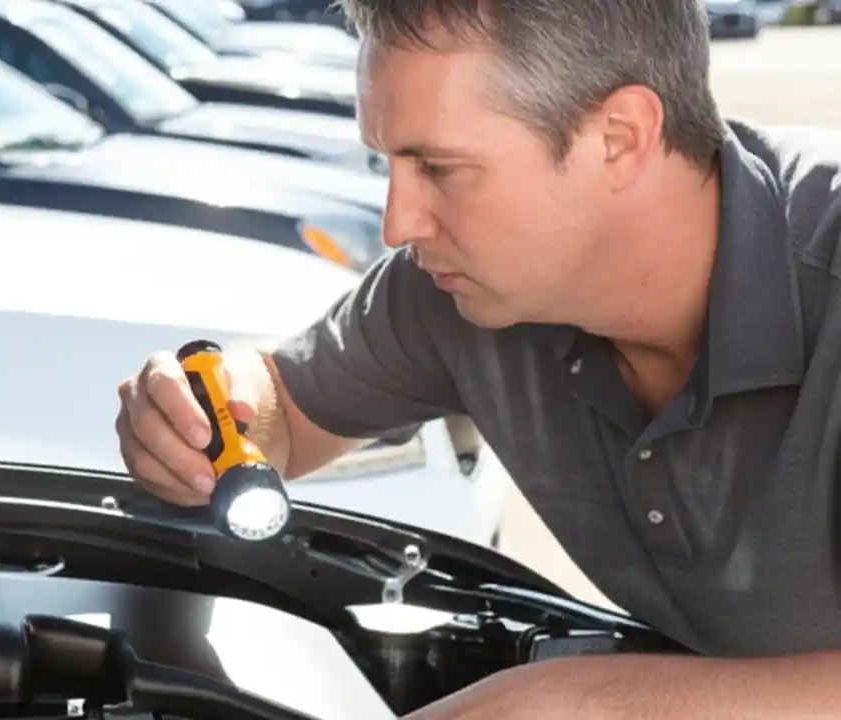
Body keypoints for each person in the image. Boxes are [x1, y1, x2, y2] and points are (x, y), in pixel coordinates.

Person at [115, 0, 841, 716]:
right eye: (388, 162)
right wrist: (206, 418)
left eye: (440, 168)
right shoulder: (457, 294)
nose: (399, 224)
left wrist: (585, 705)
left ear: (619, 138)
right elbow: (286, 407)